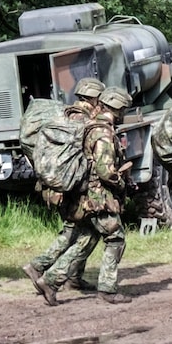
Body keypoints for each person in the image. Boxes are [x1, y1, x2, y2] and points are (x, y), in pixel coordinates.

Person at [36, 85, 132, 305]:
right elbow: (105, 170)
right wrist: (119, 181)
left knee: (86, 239)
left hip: (85, 196)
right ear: (117, 108)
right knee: (116, 238)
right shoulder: (103, 132)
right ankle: (107, 289)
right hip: (98, 197)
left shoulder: (90, 126)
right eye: (124, 109)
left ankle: (50, 280)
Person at [24, 78, 103, 289]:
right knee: (86, 232)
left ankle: (65, 275)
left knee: (73, 229)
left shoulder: (63, 116)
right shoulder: (82, 123)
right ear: (94, 99)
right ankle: (46, 271)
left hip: (58, 185)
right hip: (75, 187)